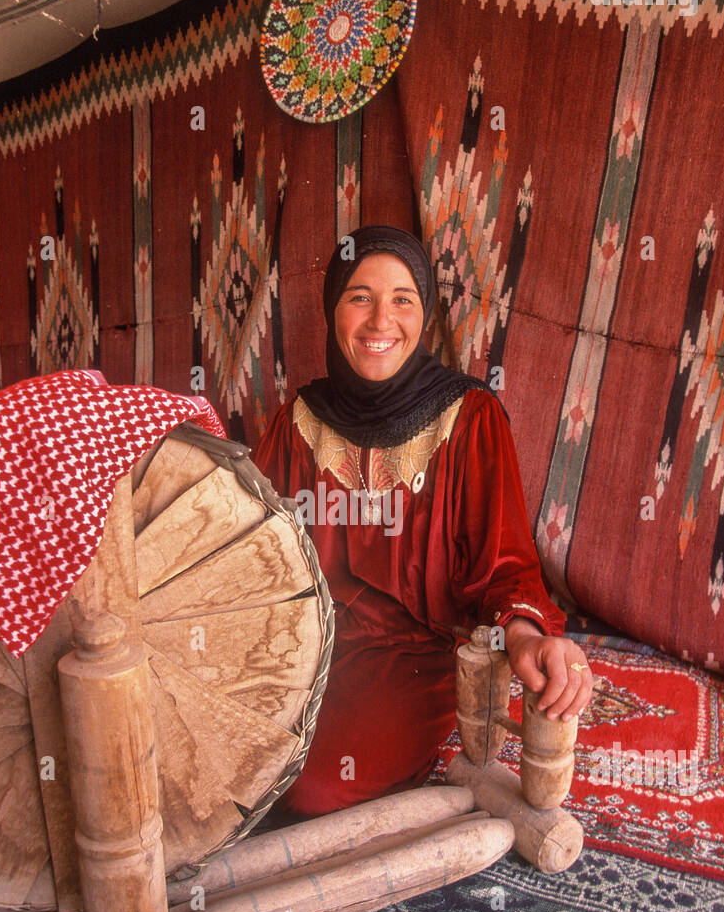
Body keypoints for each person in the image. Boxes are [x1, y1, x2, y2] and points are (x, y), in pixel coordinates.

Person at [254, 226, 593, 815]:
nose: (381, 320)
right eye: (359, 296)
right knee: (210, 748)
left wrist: (527, 635)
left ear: (425, 314)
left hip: (411, 658)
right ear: (333, 310)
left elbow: (505, 564)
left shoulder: (469, 417)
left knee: (310, 786)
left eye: (402, 299)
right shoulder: (299, 420)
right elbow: (251, 553)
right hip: (299, 650)